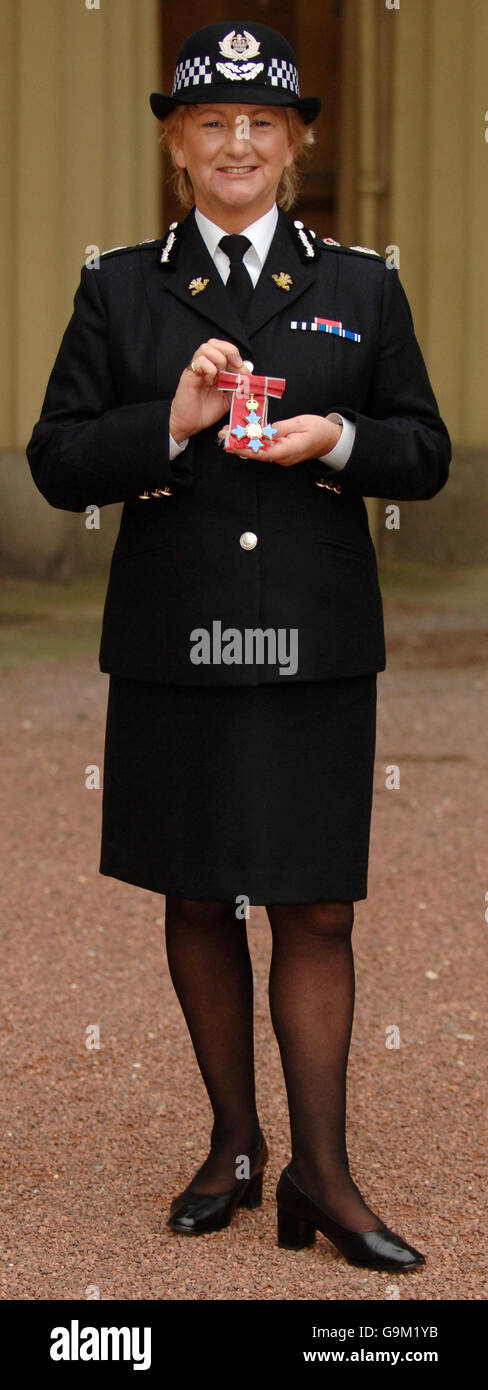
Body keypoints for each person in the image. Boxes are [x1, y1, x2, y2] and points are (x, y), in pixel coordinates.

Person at [26, 21, 451, 1273]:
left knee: (316, 904)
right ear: (176, 144)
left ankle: (322, 1169)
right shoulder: (117, 285)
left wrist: (334, 442)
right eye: (211, 122)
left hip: (314, 638)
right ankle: (233, 1144)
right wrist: (168, 415)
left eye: (262, 123)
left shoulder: (362, 284)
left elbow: (420, 450)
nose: (238, 143)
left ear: (296, 145)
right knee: (199, 891)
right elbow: (56, 459)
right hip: (177, 634)